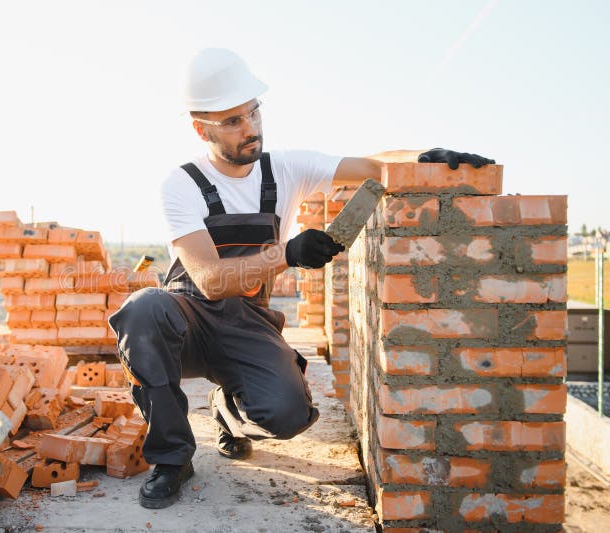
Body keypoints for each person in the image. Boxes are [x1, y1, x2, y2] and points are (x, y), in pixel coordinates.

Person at [108, 48, 494, 509]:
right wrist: (287, 253)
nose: (251, 128)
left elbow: (371, 165)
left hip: (245, 323)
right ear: (201, 129)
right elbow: (209, 280)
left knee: (289, 414)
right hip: (185, 320)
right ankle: (172, 458)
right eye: (233, 121)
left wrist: (425, 156)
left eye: (254, 112)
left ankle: (227, 410)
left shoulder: (285, 169)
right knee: (143, 310)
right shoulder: (182, 184)